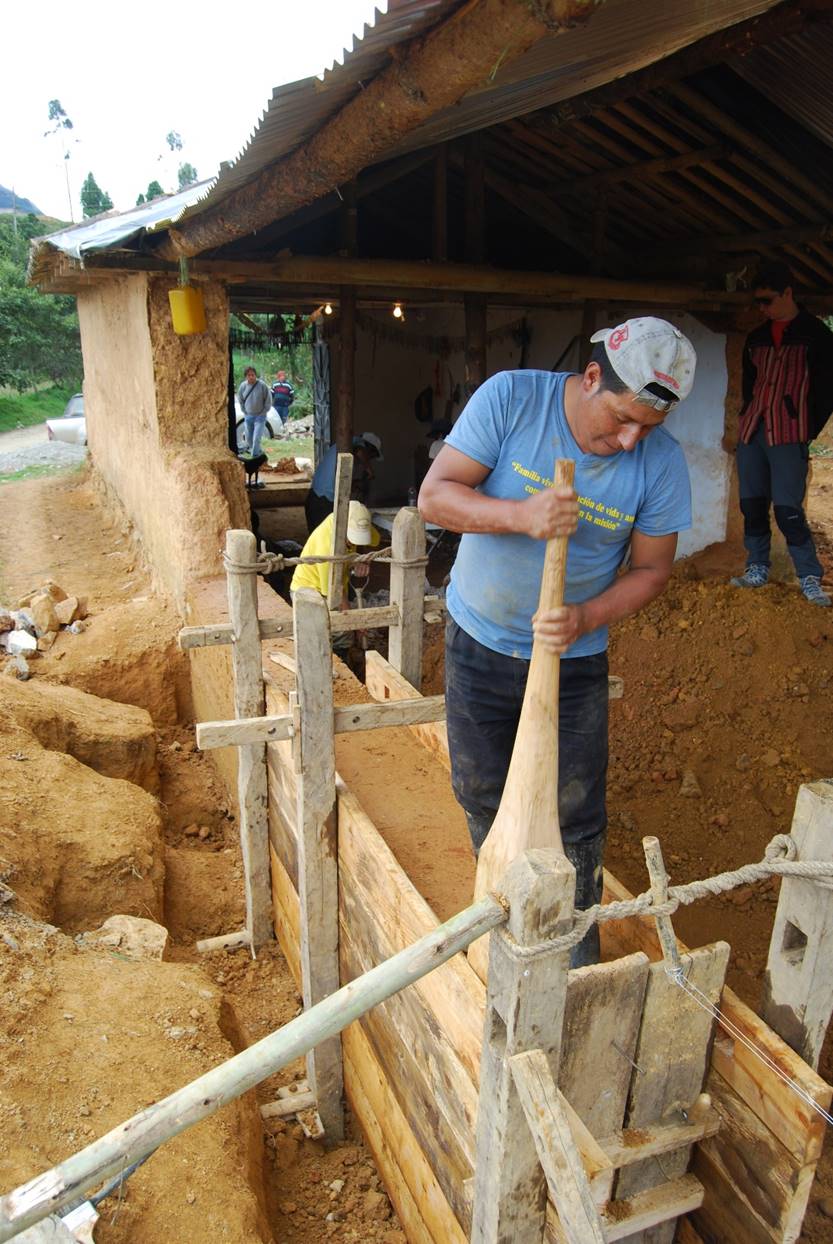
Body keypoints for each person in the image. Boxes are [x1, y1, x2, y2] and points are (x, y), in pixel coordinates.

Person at [419, 316, 697, 966]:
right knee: (482, 792)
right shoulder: (511, 399)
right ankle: (498, 933)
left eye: (647, 429)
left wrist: (586, 616)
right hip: (479, 641)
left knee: (574, 817)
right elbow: (435, 497)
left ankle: (571, 964)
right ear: (591, 376)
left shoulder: (659, 464)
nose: (630, 441)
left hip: (571, 662)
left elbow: (652, 571)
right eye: (620, 420)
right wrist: (519, 514)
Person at [730, 262, 833, 606]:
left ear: (788, 293)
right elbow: (749, 385)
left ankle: (809, 578)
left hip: (789, 432)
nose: (762, 308)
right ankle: (757, 567)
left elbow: (825, 390)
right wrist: (747, 415)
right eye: (758, 302)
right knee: (752, 505)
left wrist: (805, 428)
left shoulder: (816, 335)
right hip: (754, 430)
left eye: (767, 300)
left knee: (788, 510)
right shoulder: (756, 338)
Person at [291, 500, 380, 610]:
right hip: (308, 593)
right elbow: (335, 592)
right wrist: (353, 622)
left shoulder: (357, 521)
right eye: (352, 538)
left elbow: (376, 542)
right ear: (343, 527)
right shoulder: (327, 549)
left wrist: (362, 560)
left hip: (338, 584)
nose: (354, 543)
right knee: (324, 624)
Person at [305, 433, 383, 533]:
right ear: (369, 448)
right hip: (322, 502)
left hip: (317, 499)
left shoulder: (347, 448)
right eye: (371, 456)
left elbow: (340, 481)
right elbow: (360, 452)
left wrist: (354, 484)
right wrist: (369, 470)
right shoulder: (355, 442)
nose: (370, 460)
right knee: (325, 539)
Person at [237, 366, 272, 458]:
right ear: (246, 376)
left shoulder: (262, 385)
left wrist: (264, 412)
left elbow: (268, 400)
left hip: (260, 417)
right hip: (248, 416)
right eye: (249, 375)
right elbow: (240, 399)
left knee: (257, 438)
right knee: (249, 438)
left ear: (255, 375)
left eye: (253, 375)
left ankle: (254, 456)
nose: (251, 377)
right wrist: (244, 411)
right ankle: (258, 452)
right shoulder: (243, 386)